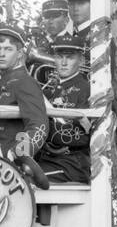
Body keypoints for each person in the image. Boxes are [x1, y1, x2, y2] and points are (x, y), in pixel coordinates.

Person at [0, 25, 51, 190]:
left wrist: (16, 153)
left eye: (8, 49)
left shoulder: (25, 82)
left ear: (20, 54)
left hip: (7, 169)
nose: (1, 54)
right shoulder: (3, 81)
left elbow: (39, 126)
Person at [36, 36, 93, 183]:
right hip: (48, 159)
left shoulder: (87, 90)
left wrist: (45, 130)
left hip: (72, 164)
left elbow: (83, 137)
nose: (64, 62)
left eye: (70, 57)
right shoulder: (51, 90)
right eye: (59, 57)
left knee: (21, 178)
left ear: (81, 61)